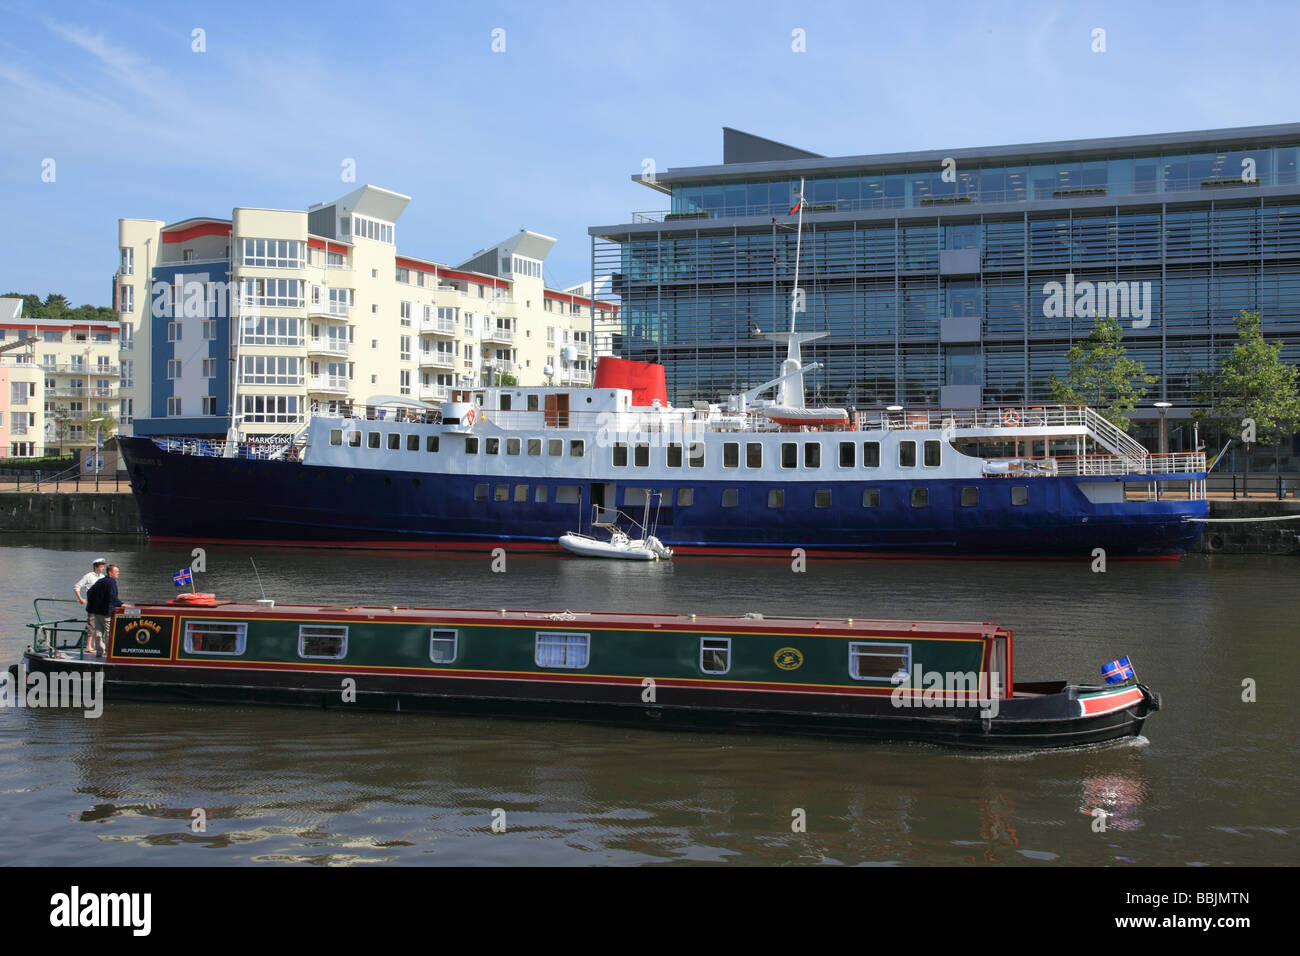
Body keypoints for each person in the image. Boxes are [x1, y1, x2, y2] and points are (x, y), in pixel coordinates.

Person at [85, 565, 130, 657]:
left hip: (97, 612)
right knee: (109, 632)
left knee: (98, 632)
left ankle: (99, 651)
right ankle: (110, 652)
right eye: (116, 572)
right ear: (110, 573)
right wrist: (121, 604)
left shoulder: (100, 581)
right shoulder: (111, 582)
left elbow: (90, 592)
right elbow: (112, 597)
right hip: (106, 612)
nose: (118, 573)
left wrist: (94, 605)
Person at [74, 558, 106, 653]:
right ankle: (88, 646)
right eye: (101, 567)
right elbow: (77, 586)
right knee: (91, 625)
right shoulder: (89, 576)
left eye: (103, 567)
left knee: (100, 626)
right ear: (96, 567)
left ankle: (96, 645)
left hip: (100, 606)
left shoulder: (103, 577)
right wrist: (80, 599)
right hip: (92, 604)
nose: (103, 568)